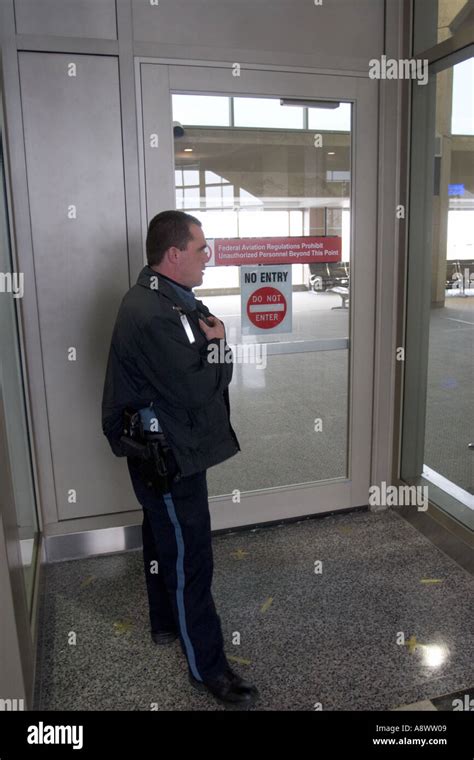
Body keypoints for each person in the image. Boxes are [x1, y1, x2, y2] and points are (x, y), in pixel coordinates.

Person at [101, 210, 259, 707]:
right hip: (167, 457)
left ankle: (167, 625)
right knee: (192, 555)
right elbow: (194, 389)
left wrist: (205, 342)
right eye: (201, 249)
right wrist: (220, 348)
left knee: (162, 536)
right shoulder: (150, 312)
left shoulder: (167, 300)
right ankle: (208, 668)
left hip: (164, 450)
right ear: (173, 255)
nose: (208, 258)